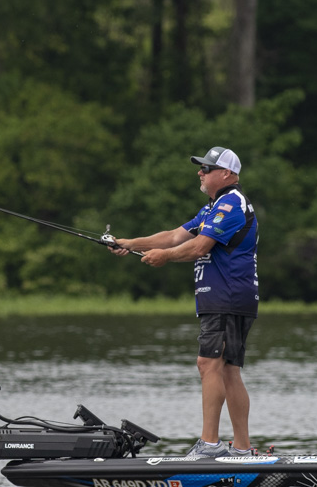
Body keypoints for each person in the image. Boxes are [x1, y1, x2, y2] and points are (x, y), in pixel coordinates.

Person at [108, 146, 259, 458]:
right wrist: (128, 243)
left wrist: (163, 258)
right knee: (228, 370)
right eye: (200, 167)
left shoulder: (231, 204)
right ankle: (241, 448)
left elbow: (198, 247)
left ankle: (210, 445)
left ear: (227, 174)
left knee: (209, 364)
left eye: (207, 168)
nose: (200, 173)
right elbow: (175, 236)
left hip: (226, 296)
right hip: (226, 297)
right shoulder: (213, 207)